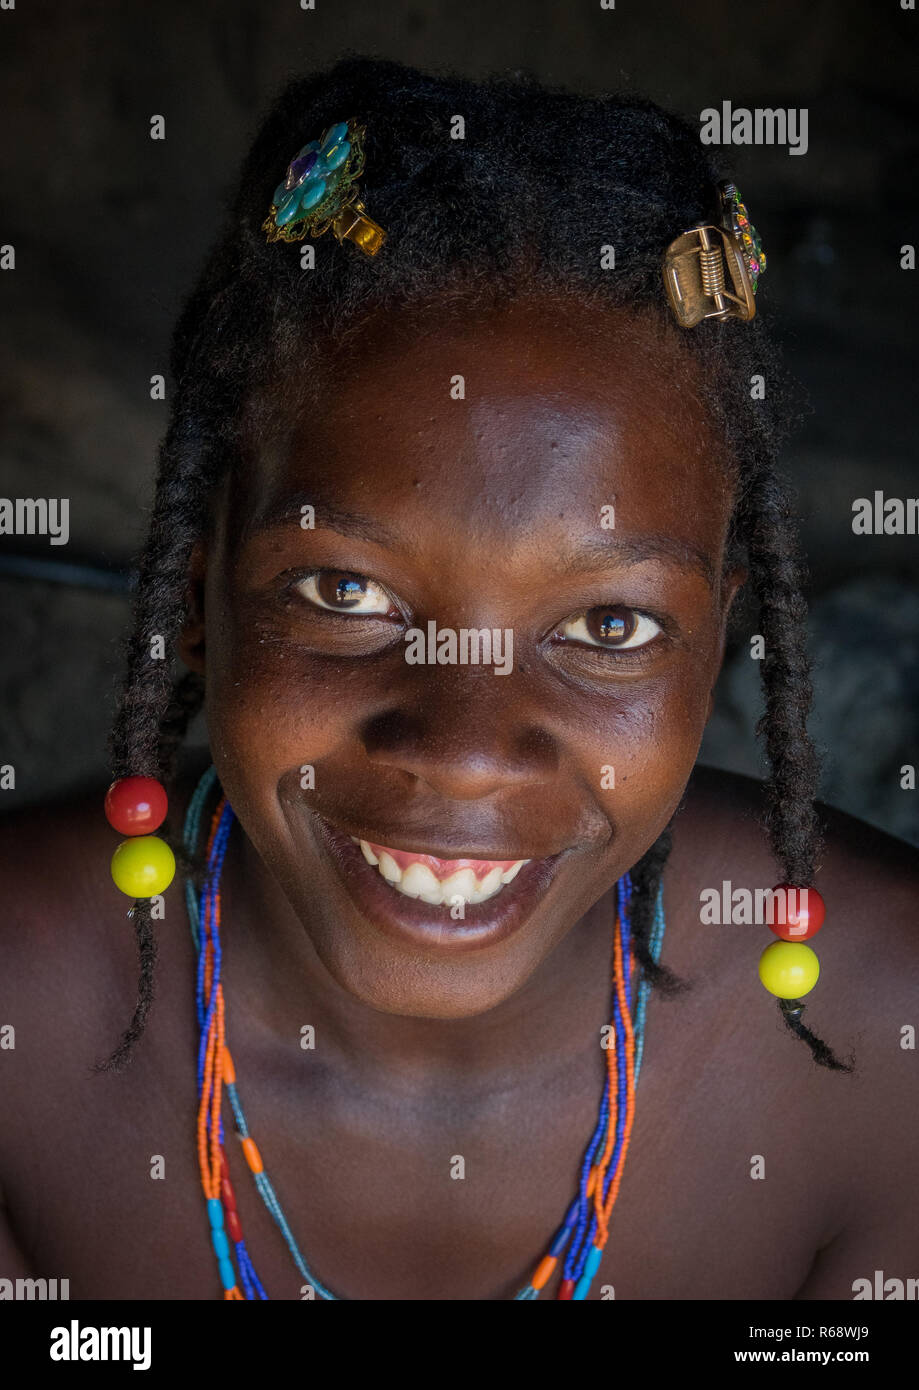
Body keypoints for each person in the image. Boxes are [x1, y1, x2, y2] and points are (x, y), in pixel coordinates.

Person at [1, 57, 916, 1302]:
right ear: (199, 591)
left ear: (719, 636)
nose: (467, 744)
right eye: (345, 593)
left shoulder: (882, 1045)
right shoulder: (22, 1024)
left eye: (606, 622)